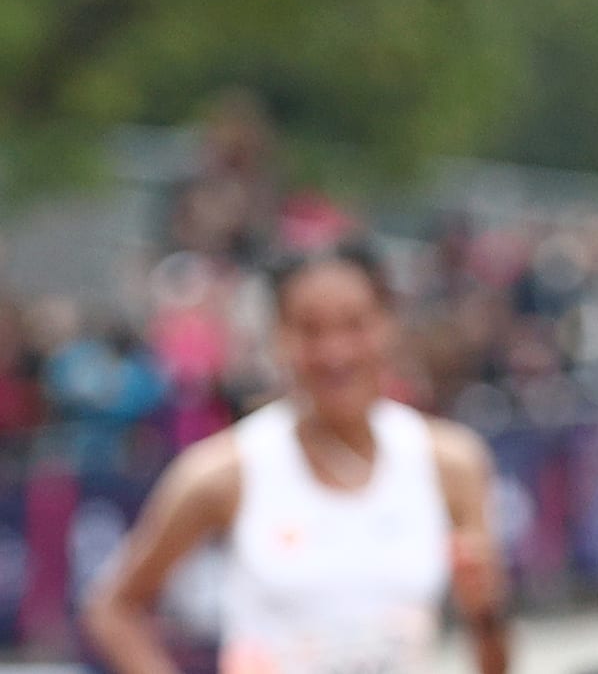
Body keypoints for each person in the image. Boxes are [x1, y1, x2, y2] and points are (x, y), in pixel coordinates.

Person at [81, 243, 508, 674]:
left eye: (354, 325)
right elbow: (115, 609)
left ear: (388, 325)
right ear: (278, 338)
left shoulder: (450, 463)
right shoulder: (225, 472)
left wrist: (487, 614)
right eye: (310, 329)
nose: (335, 352)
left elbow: (493, 646)